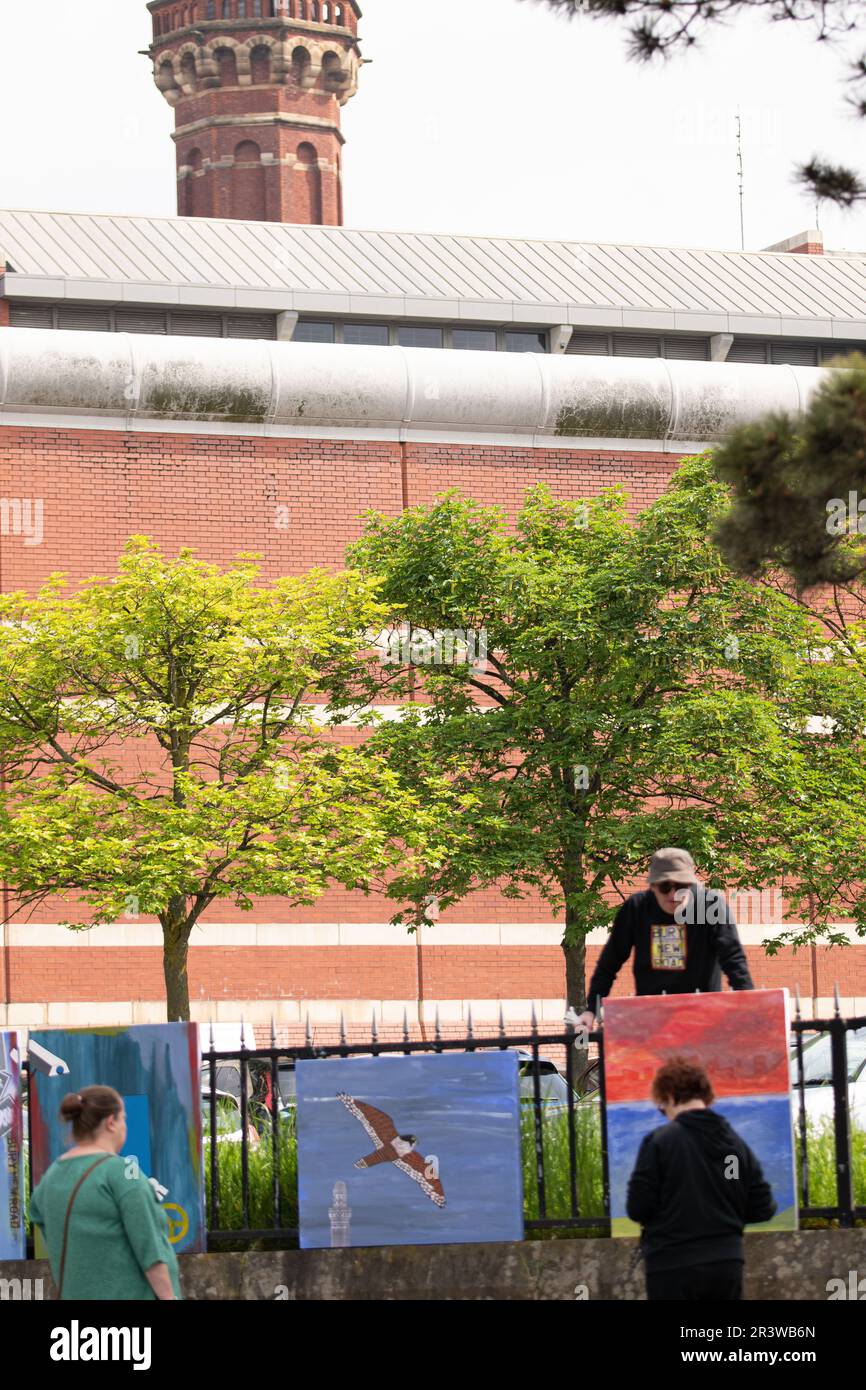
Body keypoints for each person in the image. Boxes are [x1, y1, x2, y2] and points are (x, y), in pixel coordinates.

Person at [626, 1056, 776, 1300]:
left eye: (662, 1107)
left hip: (671, 1265)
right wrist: (725, 1218)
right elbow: (763, 1207)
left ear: (670, 1096)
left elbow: (638, 1207)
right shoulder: (734, 1146)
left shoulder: (661, 1142)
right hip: (726, 1264)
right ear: (705, 1097)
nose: (665, 1114)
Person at [29, 1084, 181, 1301]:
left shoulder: (50, 1178)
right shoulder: (123, 1173)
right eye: (123, 1119)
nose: (125, 1126)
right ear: (111, 1122)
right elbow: (151, 1253)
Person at [575, 847, 753, 1030]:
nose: (673, 894)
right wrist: (591, 1010)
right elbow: (610, 962)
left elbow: (733, 958)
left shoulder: (710, 906)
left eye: (681, 886)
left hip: (703, 1016)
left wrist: (749, 1005)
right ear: (652, 886)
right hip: (653, 1019)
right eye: (665, 887)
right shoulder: (637, 908)